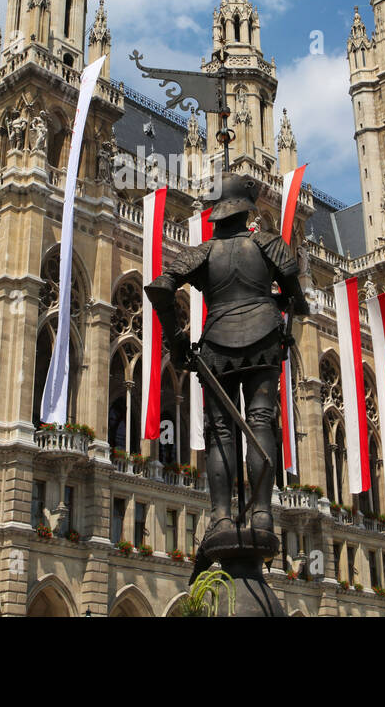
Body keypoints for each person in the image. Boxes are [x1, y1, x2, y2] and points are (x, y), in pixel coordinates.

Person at [144, 172, 308, 544]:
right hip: (264, 341)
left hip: (217, 346)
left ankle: (219, 518)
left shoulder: (203, 252)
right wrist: (278, 302)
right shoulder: (269, 245)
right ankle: (263, 515)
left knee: (220, 431)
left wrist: (178, 341)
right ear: (246, 212)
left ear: (217, 215)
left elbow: (160, 288)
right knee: (261, 422)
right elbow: (299, 301)